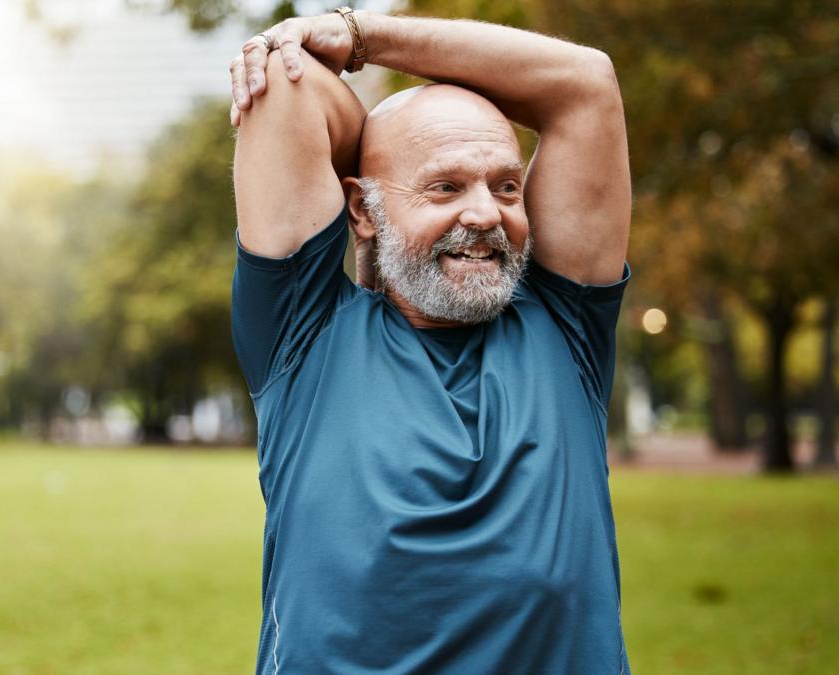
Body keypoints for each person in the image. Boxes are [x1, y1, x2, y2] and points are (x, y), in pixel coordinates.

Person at [228, 8, 632, 674]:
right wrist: (381, 171)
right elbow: (284, 80)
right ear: (360, 208)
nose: (484, 213)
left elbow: (586, 83)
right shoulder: (304, 337)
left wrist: (363, 38)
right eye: (444, 186)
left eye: (506, 185)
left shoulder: (566, 325)